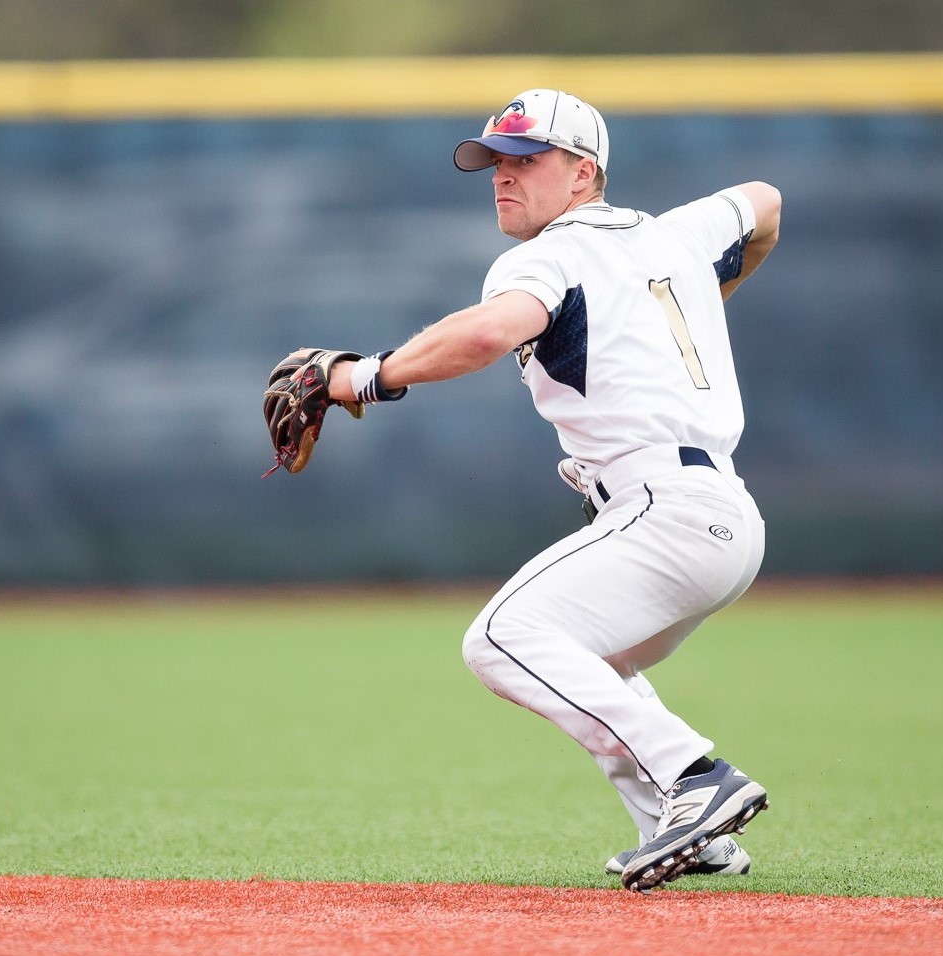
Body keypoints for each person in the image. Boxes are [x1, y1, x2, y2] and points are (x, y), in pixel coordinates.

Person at [312, 88, 781, 893]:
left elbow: (490, 332)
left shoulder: (549, 253)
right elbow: (764, 204)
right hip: (724, 520)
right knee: (585, 658)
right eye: (495, 161)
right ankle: (688, 832)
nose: (503, 176)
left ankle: (696, 778)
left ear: (583, 174)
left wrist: (368, 376)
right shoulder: (675, 234)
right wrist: (709, 297)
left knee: (498, 639)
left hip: (663, 510)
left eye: (527, 161)